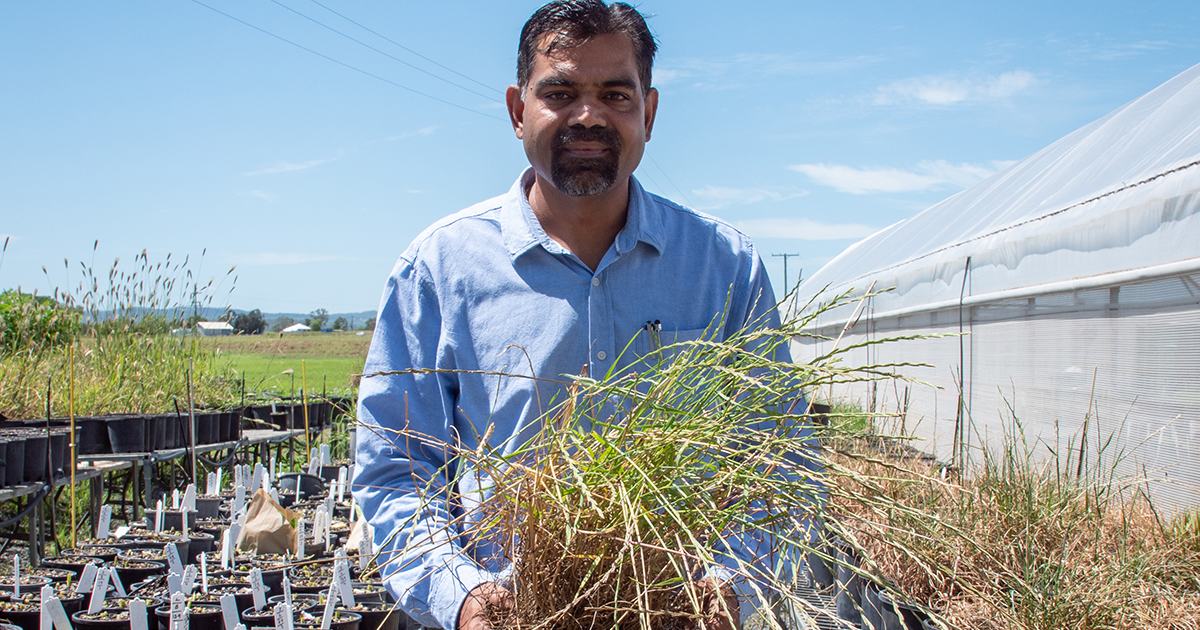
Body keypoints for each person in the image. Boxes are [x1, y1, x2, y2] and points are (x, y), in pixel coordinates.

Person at [353, 2, 804, 629]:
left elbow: (782, 460)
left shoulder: (723, 264)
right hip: (516, 614)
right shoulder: (440, 267)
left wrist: (729, 586)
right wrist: (465, 600)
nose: (588, 115)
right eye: (560, 93)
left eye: (615, 95)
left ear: (649, 112)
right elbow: (395, 470)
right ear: (518, 110)